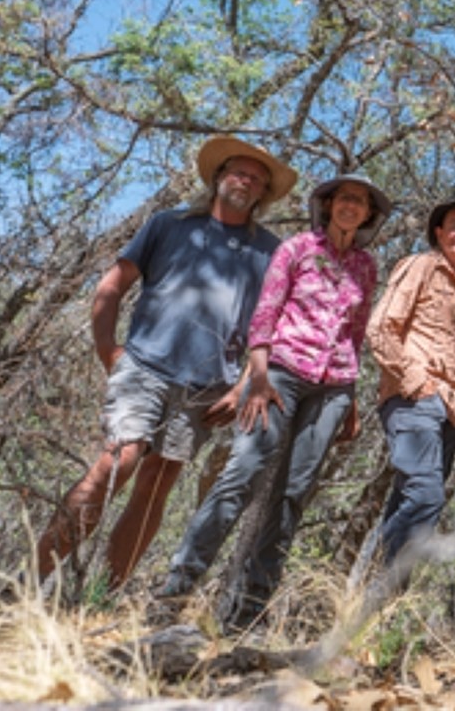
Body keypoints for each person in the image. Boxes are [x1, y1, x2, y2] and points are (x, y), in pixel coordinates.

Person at [36, 136, 296, 589]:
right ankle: (28, 583)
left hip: (206, 387)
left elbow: (270, 326)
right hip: (145, 366)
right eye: (238, 172)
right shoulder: (169, 224)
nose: (245, 181)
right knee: (120, 460)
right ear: (218, 178)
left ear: (262, 194)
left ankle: (103, 597)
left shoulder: (270, 253)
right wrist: (107, 350)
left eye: (255, 179)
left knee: (156, 485)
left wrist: (242, 386)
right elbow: (112, 286)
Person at [154, 173, 386, 625]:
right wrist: (256, 377)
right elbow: (265, 315)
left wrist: (352, 395)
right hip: (280, 373)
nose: (351, 206)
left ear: (368, 215)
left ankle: (247, 613)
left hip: (334, 386)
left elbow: (355, 334)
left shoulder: (366, 266)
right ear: (328, 204)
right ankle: (175, 592)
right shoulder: (297, 248)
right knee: (243, 472)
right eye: (345, 198)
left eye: (361, 202)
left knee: (294, 491)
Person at [370, 197, 455, 566]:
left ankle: (364, 601)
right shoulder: (420, 266)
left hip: (450, 410)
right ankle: (382, 589)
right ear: (439, 233)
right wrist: (416, 382)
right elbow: (382, 327)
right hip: (414, 400)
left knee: (408, 500)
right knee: (426, 497)